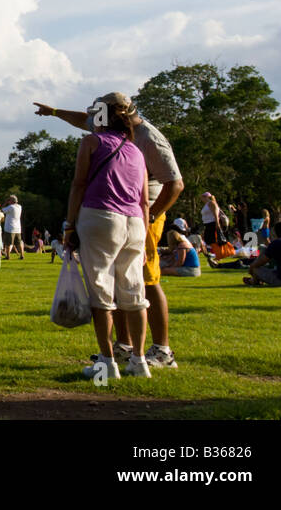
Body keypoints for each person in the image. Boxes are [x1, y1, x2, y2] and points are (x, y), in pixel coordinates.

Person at [36, 92, 185, 370]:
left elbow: (175, 184)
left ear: (112, 115)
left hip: (139, 215)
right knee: (128, 287)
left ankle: (161, 350)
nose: (92, 120)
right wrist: (54, 111)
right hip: (135, 216)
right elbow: (84, 120)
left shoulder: (147, 138)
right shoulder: (125, 140)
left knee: (145, 282)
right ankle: (128, 349)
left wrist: (152, 217)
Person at [62, 94, 151, 380]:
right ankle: (139, 361)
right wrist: (147, 239)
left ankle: (107, 363)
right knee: (135, 293)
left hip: (100, 217)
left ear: (99, 118)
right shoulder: (137, 151)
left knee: (101, 292)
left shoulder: (91, 142)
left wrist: (69, 225)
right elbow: (145, 202)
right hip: (134, 222)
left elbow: (78, 184)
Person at [245, 222, 281, 286]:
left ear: (275, 233)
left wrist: (250, 269)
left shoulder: (277, 243)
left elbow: (259, 263)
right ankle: (253, 280)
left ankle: (253, 281)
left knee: (255, 269)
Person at [3, 195, 25, 259]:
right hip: (18, 228)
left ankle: (8, 256)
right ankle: (22, 255)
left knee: (8, 243)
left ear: (11, 201)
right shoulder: (19, 207)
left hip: (10, 227)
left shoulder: (10, 207)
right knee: (19, 242)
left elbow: (2, 210)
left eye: (9, 200)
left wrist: (5, 203)